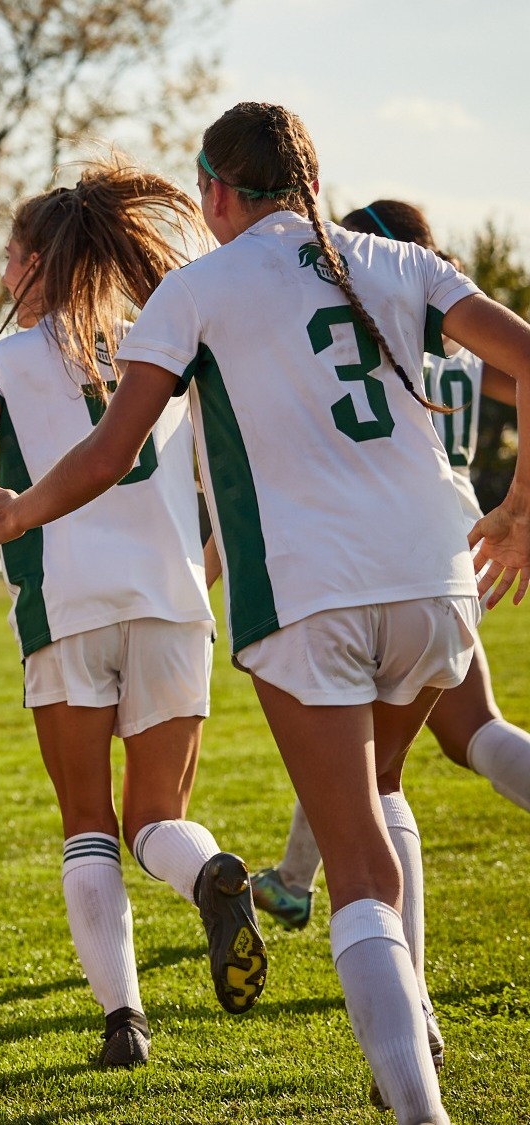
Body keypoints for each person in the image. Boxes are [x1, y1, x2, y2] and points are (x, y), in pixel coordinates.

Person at [0, 102, 530, 1124]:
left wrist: (10, 510)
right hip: (433, 578)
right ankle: (411, 1036)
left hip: (309, 591)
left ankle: (418, 1102)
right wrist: (517, 505)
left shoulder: (196, 291)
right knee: (388, 791)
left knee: (356, 863)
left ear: (213, 187)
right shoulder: (388, 261)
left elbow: (110, 451)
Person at [0, 156, 262, 1070]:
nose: (0, 277)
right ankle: (209, 871)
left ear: (35, 264)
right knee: (157, 818)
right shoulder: (166, 341)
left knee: (90, 822)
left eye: (8, 259)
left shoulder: (5, 362)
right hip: (176, 600)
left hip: (68, 605)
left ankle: (125, 1020)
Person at [251, 200, 530, 931]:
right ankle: (290, 878)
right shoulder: (463, 340)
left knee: (397, 757)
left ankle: (316, 899)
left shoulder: (384, 329)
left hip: (390, 542)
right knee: (383, 750)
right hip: (455, 551)